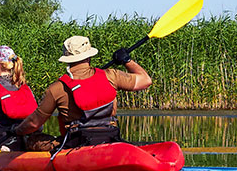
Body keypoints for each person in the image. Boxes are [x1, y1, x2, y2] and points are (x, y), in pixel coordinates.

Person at [16, 34, 152, 151]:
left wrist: (17, 131)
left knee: (33, 140)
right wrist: (127, 61)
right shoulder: (111, 76)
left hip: (75, 143)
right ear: (89, 56)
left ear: (67, 59)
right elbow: (145, 80)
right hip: (110, 137)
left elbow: (34, 123)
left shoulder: (56, 89)